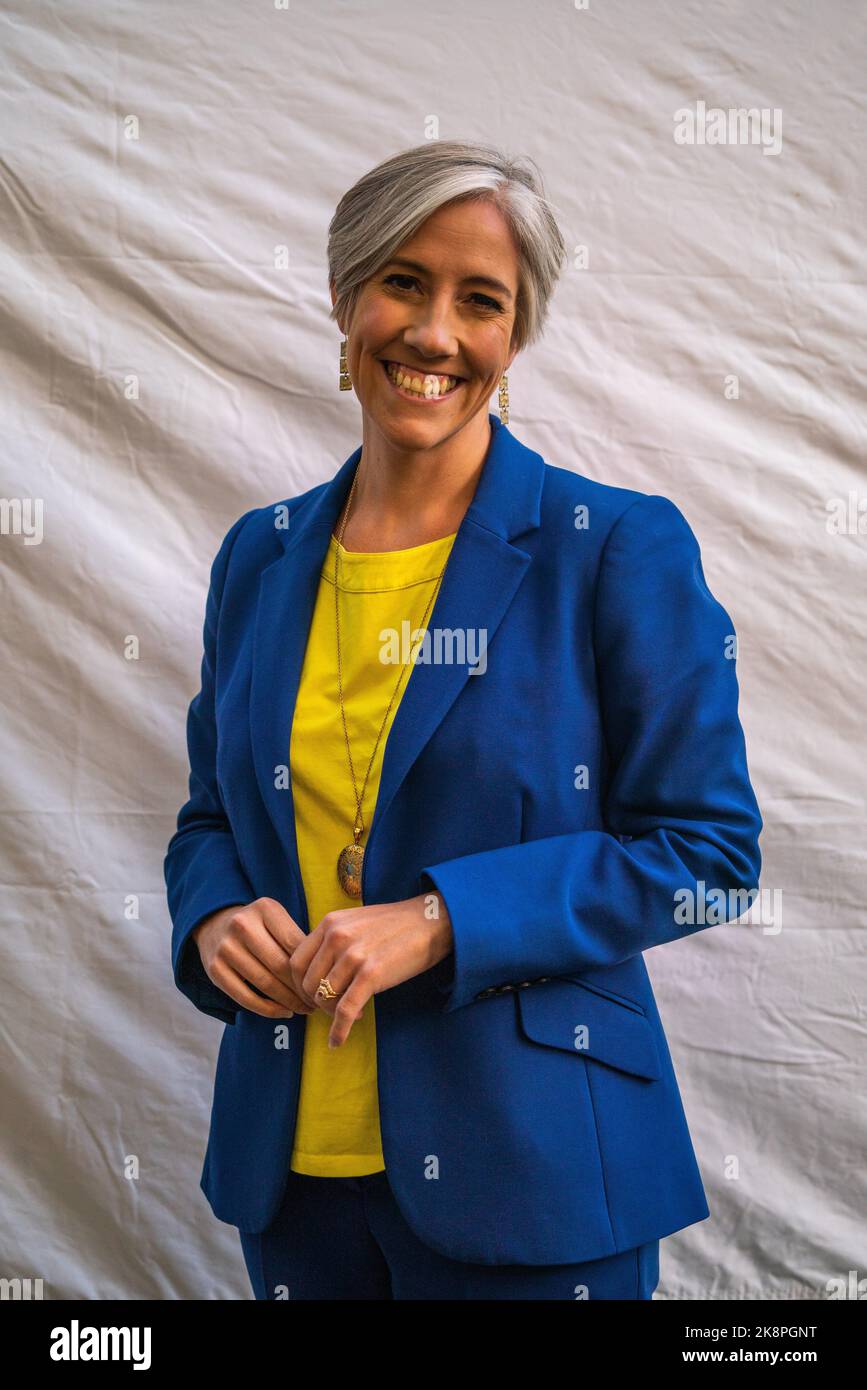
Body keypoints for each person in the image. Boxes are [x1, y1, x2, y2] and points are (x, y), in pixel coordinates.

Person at [164, 140, 762, 1301]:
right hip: (292, 1178)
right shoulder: (260, 555)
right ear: (345, 302)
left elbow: (709, 855)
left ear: (513, 337)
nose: (434, 333)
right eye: (402, 282)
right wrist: (213, 913)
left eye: (479, 301)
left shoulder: (617, 547)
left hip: (535, 1176)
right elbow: (206, 818)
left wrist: (442, 921)